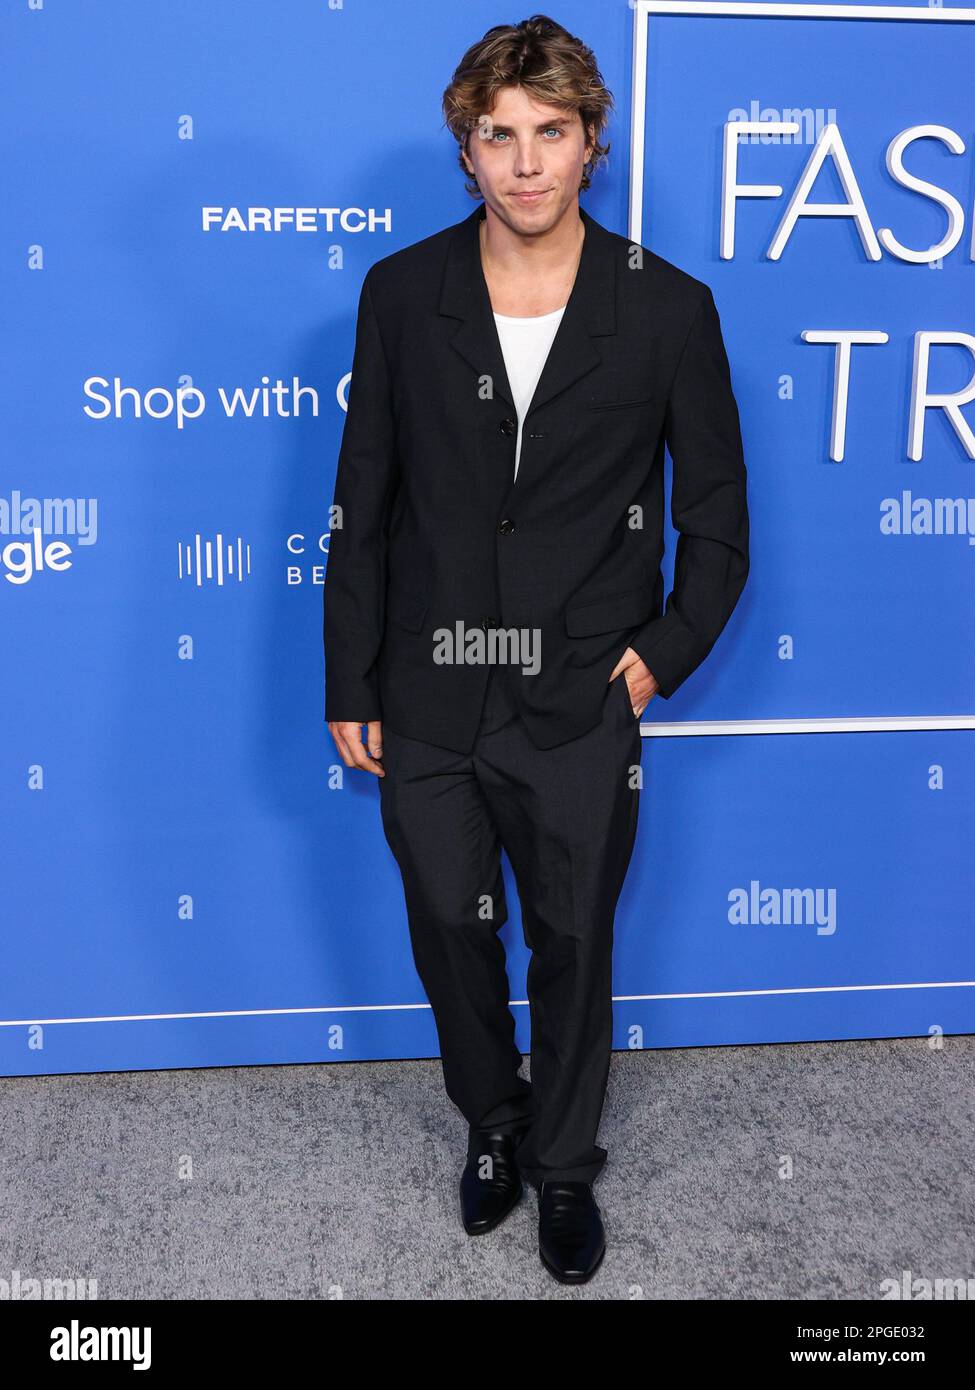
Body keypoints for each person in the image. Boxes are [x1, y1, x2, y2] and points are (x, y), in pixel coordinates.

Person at [324, 13, 749, 1285]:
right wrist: (351, 676)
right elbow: (364, 500)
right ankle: (494, 1120)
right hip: (429, 689)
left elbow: (720, 522)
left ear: (589, 145)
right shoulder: (403, 295)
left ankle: (565, 1165)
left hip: (579, 700)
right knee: (449, 929)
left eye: (548, 135)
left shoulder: (669, 309)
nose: (522, 164)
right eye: (496, 136)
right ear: (465, 150)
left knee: (573, 940)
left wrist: (659, 654)